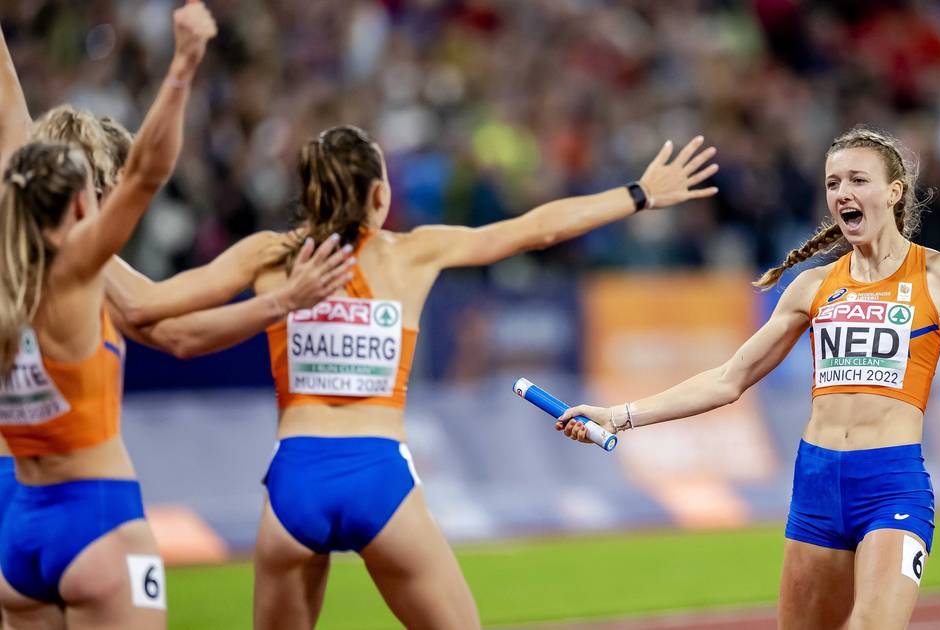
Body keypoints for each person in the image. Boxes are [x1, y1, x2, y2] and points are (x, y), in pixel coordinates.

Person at [554, 126, 940, 630]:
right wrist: (619, 414)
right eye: (832, 182)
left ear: (894, 192)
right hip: (816, 484)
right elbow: (729, 377)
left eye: (856, 179)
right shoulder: (813, 287)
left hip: (892, 486)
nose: (841, 192)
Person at [164, 123, 715, 628]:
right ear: (380, 196)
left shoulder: (269, 256)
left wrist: (85, 260)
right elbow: (534, 230)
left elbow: (160, 312)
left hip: (295, 478)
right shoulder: (410, 252)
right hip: (377, 474)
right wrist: (638, 195)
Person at [0, 3, 217, 626]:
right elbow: (149, 176)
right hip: (95, 515)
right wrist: (182, 68)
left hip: (17, 526)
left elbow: (11, 119)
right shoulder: (78, 270)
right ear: (77, 205)